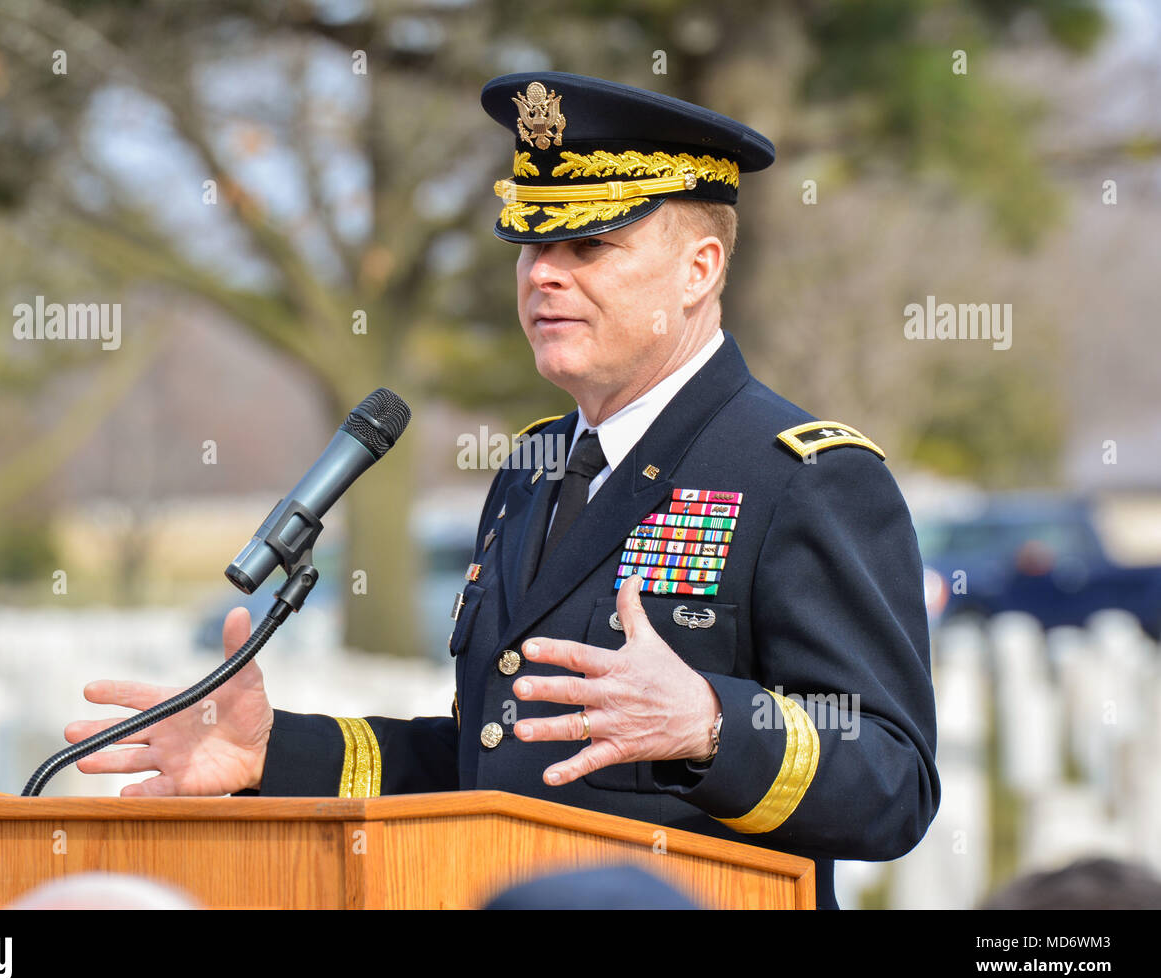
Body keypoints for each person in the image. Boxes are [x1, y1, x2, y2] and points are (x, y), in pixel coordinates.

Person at [65, 71, 940, 910]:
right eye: (531, 242)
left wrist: (713, 724)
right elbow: (491, 764)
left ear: (699, 270)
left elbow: (895, 781)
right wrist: (271, 749)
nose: (543, 274)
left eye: (590, 244)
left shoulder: (805, 478)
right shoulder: (533, 471)